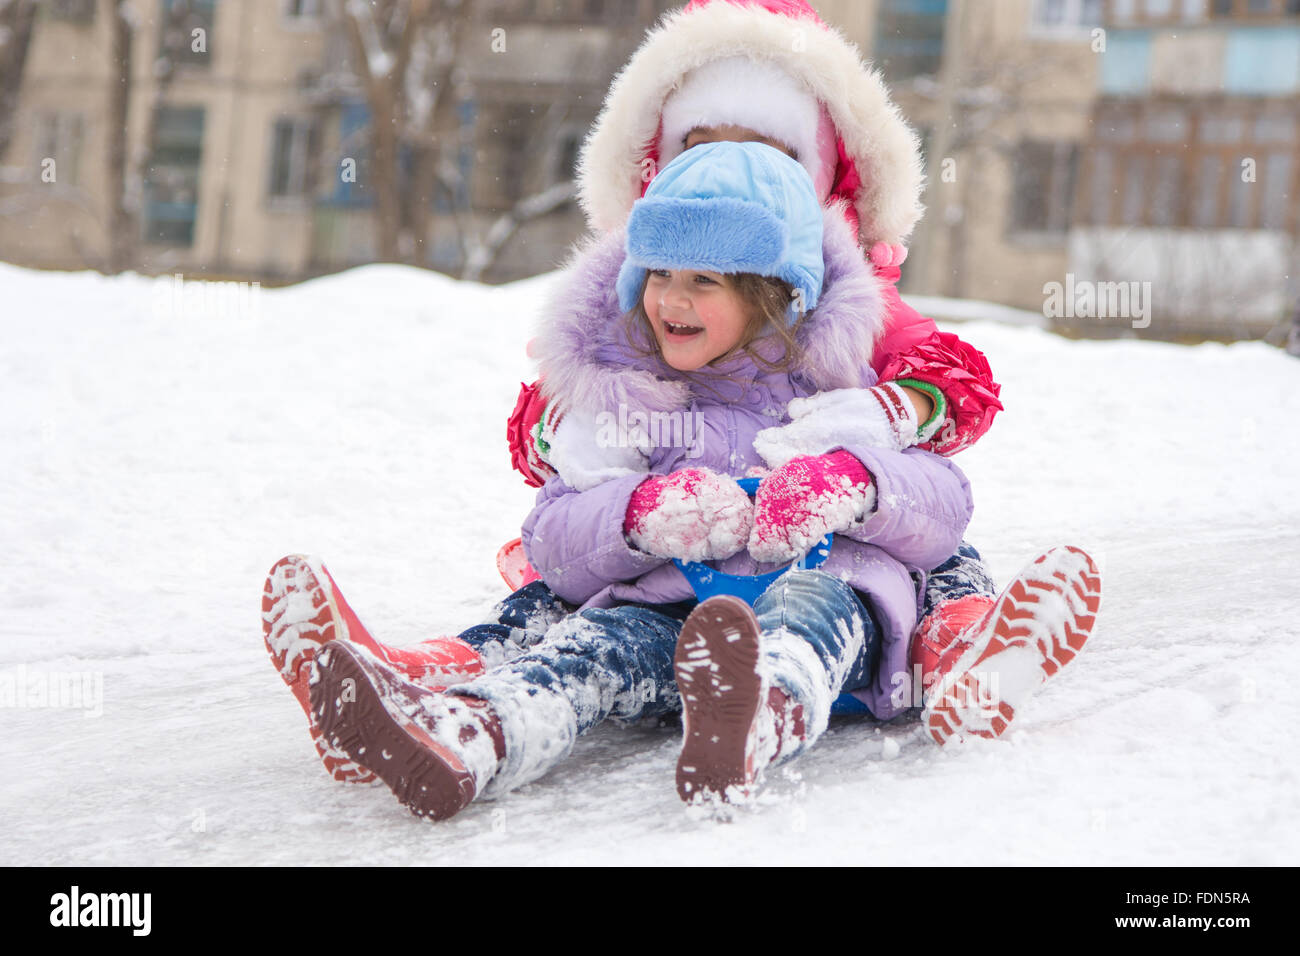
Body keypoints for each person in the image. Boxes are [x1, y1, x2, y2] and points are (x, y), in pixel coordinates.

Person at [292, 140, 983, 820]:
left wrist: (852, 483)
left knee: (805, 618)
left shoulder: (836, 392)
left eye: (703, 280)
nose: (671, 300)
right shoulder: (630, 401)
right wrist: (638, 515)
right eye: (659, 274)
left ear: (774, 290)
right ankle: (471, 737)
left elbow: (943, 508)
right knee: (589, 651)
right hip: (673, 611)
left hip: (828, 590)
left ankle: (754, 720)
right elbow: (554, 543)